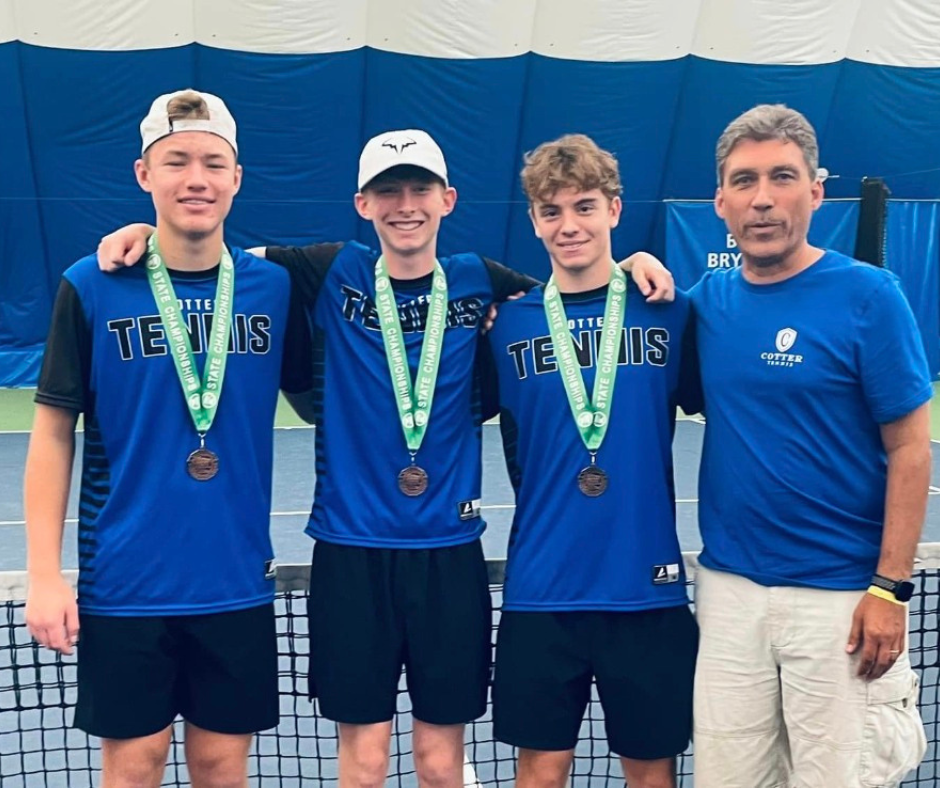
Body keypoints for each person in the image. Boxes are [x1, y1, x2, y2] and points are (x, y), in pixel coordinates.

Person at [95, 129, 676, 788]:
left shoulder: (481, 283)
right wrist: (145, 228)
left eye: (420, 189)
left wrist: (633, 263)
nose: (406, 204)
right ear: (363, 204)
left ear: (447, 199)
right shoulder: (324, 268)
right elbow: (208, 250)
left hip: (448, 559)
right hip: (351, 558)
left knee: (438, 764)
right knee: (364, 763)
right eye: (388, 192)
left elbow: (571, 293)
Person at [24, 89, 312, 788]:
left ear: (236, 178)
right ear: (143, 174)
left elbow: (334, 390)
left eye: (213, 163)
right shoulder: (90, 285)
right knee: (132, 769)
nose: (196, 178)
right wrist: (43, 574)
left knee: (221, 768)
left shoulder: (274, 287)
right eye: (176, 160)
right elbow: (53, 432)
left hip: (235, 583)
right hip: (124, 587)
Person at [690, 103, 930, 787]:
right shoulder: (706, 302)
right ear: (721, 203)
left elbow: (912, 448)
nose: (762, 199)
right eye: (744, 182)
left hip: (840, 602)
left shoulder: (869, 296)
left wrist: (891, 589)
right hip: (731, 595)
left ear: (816, 192)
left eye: (782, 177)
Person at [484, 134, 701, 788]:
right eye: (552, 212)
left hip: (647, 591)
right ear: (533, 221)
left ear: (614, 208)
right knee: (540, 776)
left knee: (650, 776)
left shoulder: (669, 312)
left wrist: (640, 263)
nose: (568, 225)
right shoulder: (508, 326)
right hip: (541, 593)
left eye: (584, 206)